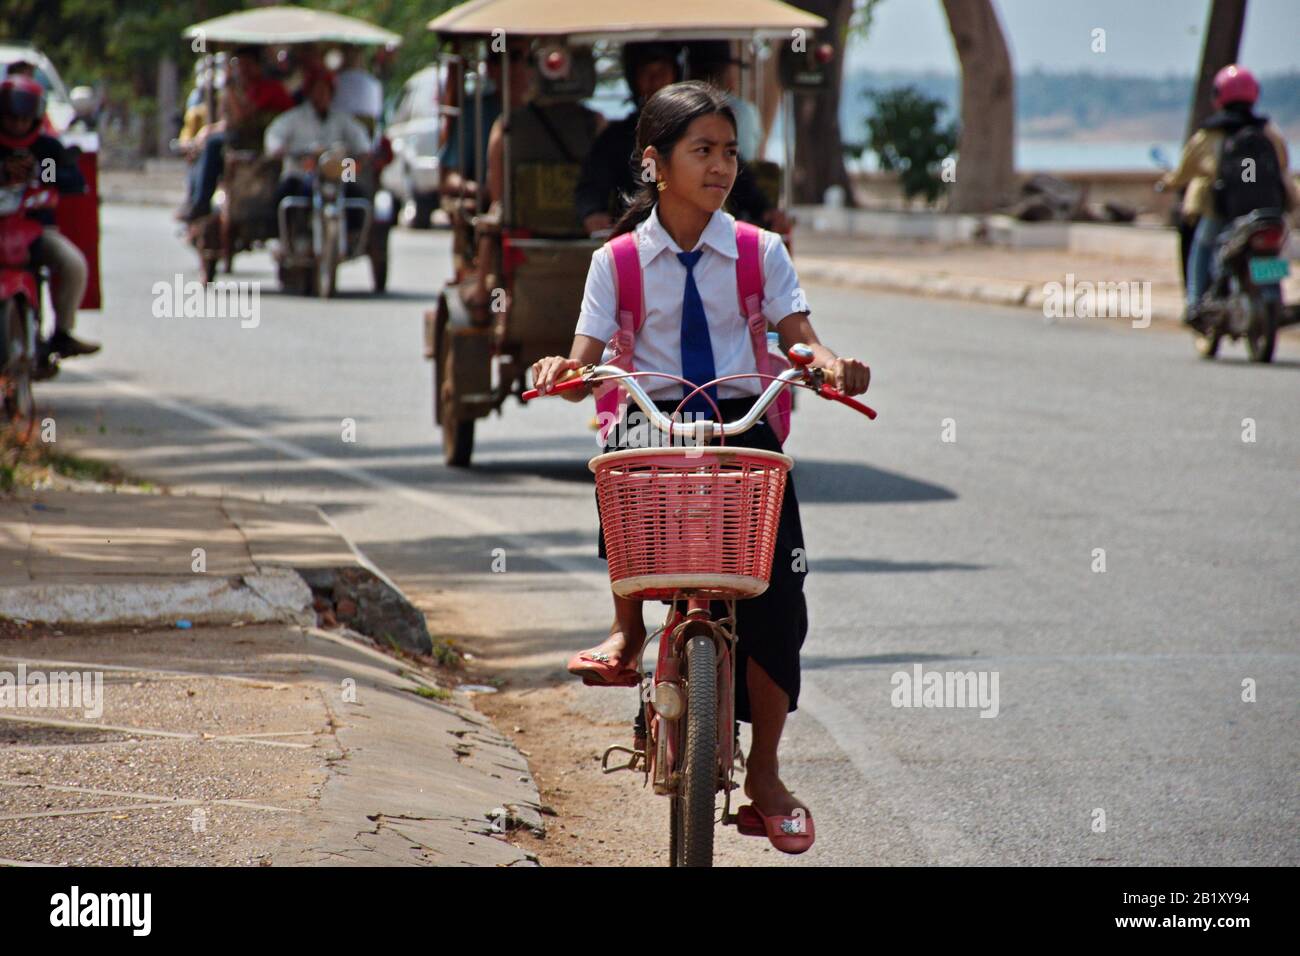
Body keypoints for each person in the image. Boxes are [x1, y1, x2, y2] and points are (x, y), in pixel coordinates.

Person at [530, 81, 870, 853]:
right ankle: (624, 630)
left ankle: (767, 775)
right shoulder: (615, 262)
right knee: (618, 466)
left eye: (730, 152)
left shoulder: (759, 250)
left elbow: (799, 335)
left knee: (778, 602)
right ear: (655, 164)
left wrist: (828, 362)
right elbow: (585, 361)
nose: (721, 166)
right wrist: (563, 369)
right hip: (652, 428)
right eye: (703, 151)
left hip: (742, 432)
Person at [574, 43, 786, 237]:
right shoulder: (617, 137)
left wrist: (767, 211)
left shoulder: (702, 128)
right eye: (647, 74)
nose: (655, 81)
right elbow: (593, 183)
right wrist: (593, 213)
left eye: (662, 72)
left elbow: (744, 185)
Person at [1159, 64, 1298, 327]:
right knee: (1272, 252)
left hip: (1225, 212)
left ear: (1219, 95)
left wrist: (1168, 182)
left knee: (1201, 245)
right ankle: (1273, 297)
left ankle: (1195, 301)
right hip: (1268, 212)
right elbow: (1282, 166)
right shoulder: (1269, 131)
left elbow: (1184, 172)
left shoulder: (1210, 135)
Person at [0, 76, 99, 360]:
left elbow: (65, 178)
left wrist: (38, 174)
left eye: (24, 118)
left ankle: (62, 333)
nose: (18, 124)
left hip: (32, 230)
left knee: (73, 264)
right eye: (12, 118)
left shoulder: (46, 149)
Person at [181, 47, 293, 221]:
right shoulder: (244, 88)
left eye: (246, 65)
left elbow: (242, 119)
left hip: (263, 141)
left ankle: (201, 203)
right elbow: (229, 122)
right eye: (239, 65)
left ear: (257, 65)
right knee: (204, 144)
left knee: (213, 144)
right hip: (244, 137)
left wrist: (230, 88)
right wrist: (206, 132)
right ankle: (194, 199)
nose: (242, 70)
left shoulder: (269, 88)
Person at [264, 68, 372, 219]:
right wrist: (278, 148)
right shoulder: (294, 118)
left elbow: (360, 138)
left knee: (359, 197)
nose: (321, 95)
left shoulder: (341, 119)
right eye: (317, 90)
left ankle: (354, 238)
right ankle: (287, 237)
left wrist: (363, 152)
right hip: (301, 174)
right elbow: (274, 134)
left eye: (325, 90)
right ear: (309, 92)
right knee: (283, 196)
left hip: (336, 175)